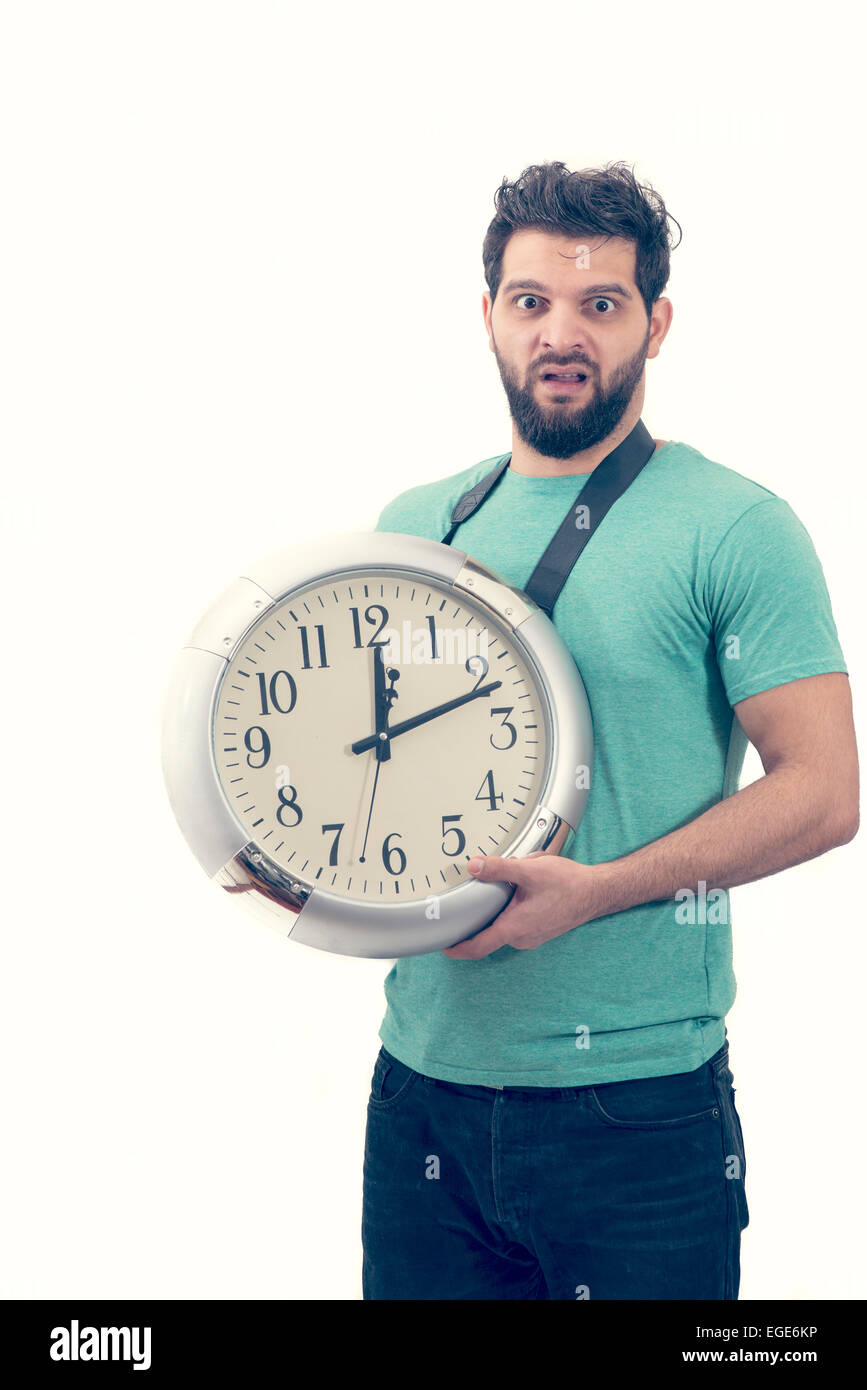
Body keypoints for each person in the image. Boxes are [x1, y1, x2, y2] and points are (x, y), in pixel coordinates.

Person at [361, 160, 859, 1300]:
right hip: (421, 1087)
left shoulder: (736, 526)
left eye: (601, 302)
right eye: (532, 301)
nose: (562, 331)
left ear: (657, 321)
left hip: (637, 1111)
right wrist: (296, 869)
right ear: (489, 315)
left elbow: (827, 790)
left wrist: (598, 888)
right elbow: (374, 768)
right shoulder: (412, 525)